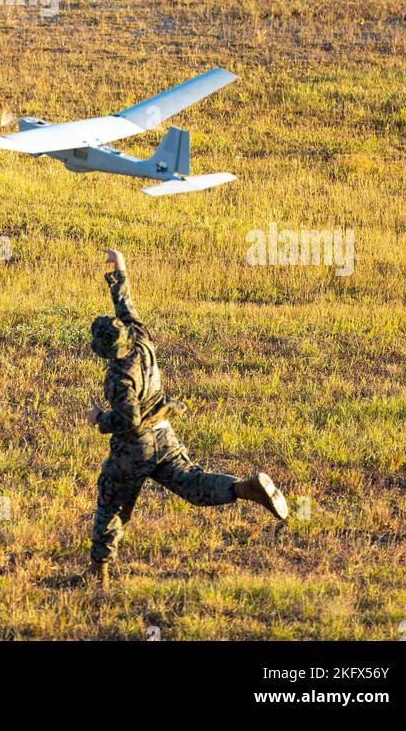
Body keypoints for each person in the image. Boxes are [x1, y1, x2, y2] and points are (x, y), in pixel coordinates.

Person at [81, 249, 288, 589]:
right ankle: (242, 488)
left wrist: (99, 419)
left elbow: (129, 420)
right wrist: (120, 269)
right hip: (164, 434)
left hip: (134, 449)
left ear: (106, 352)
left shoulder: (119, 377)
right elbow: (126, 306)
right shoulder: (141, 338)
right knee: (192, 484)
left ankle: (98, 572)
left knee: (111, 504)